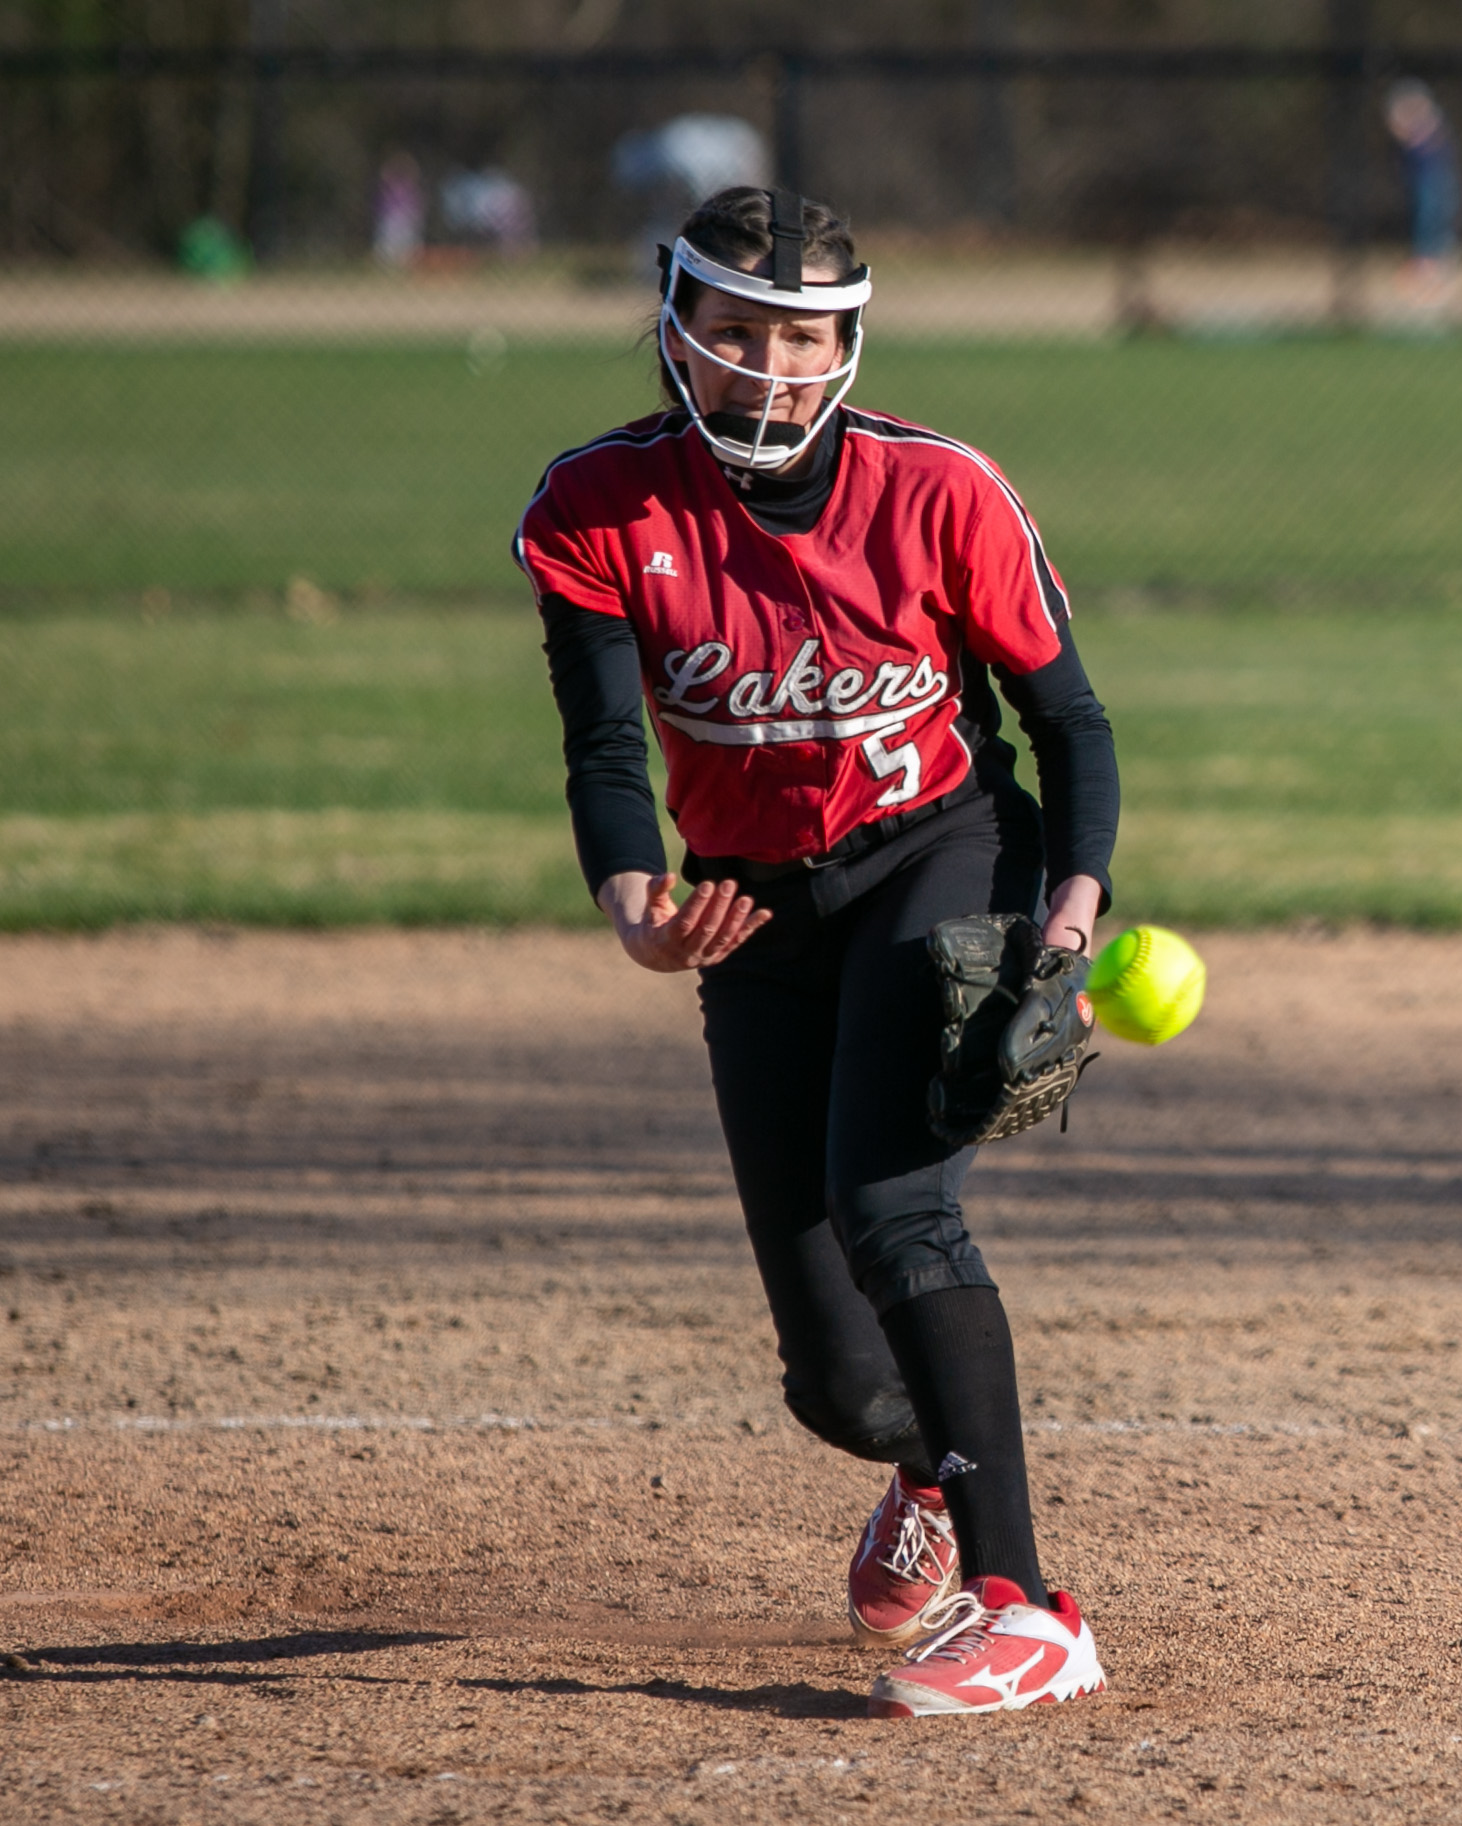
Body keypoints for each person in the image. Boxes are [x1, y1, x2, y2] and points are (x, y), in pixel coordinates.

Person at [513, 185, 1116, 1717]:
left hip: (947, 851)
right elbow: (600, 748)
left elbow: (1068, 722)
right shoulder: (597, 507)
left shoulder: (938, 488)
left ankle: (1025, 1606)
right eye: (736, 330)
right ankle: (925, 1461)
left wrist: (1071, 903)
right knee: (834, 1378)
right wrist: (634, 901)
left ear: (848, 344)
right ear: (674, 331)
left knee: (893, 1205)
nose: (772, 365)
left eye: (805, 334)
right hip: (755, 912)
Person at [1384, 79, 1462, 299]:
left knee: (1436, 232)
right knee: (1427, 234)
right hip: (1424, 186)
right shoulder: (1410, 133)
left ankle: (1436, 279)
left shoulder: (1432, 129)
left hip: (1437, 185)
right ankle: (1428, 280)